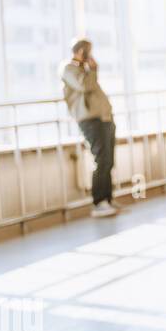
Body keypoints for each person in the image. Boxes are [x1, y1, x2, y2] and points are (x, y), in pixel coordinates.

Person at [61, 38, 121, 218]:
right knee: (101, 159)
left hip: (105, 119)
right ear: (79, 51)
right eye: (86, 51)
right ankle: (99, 202)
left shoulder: (85, 71)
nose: (89, 55)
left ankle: (108, 199)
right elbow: (85, 86)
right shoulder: (70, 69)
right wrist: (93, 70)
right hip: (91, 121)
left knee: (109, 160)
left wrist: (90, 69)